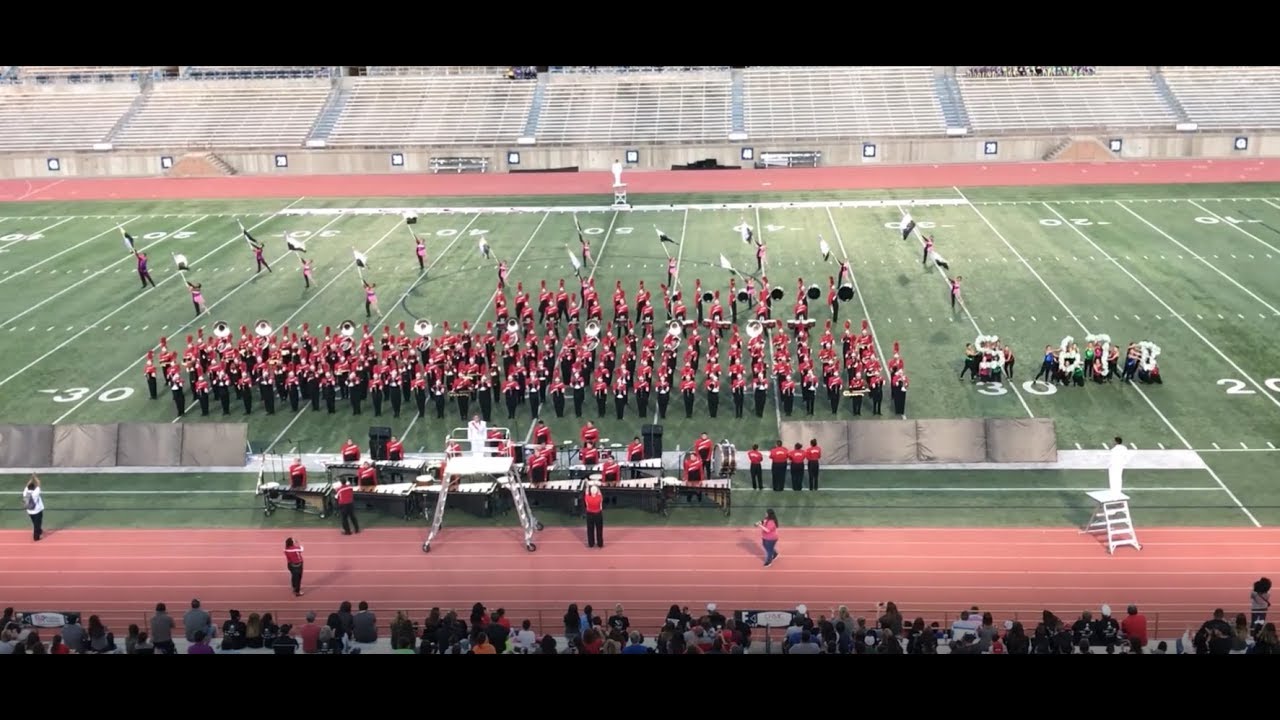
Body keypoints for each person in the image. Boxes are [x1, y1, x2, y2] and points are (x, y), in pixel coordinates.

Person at [22, 474, 43, 541]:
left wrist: (31, 479)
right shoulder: (35, 493)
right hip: (37, 511)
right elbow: (39, 484)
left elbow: (27, 485)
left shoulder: (25, 492)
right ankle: (36, 537)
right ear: (34, 488)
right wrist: (35, 477)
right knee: (37, 523)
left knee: (35, 523)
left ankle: (39, 530)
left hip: (29, 511)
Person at [584, 482, 604, 549]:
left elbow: (586, 492)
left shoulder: (587, 498)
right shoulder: (599, 498)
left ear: (591, 491)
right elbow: (599, 493)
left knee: (590, 529)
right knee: (599, 530)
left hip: (590, 514)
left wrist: (588, 485)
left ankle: (591, 544)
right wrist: (596, 484)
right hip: (598, 514)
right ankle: (600, 544)